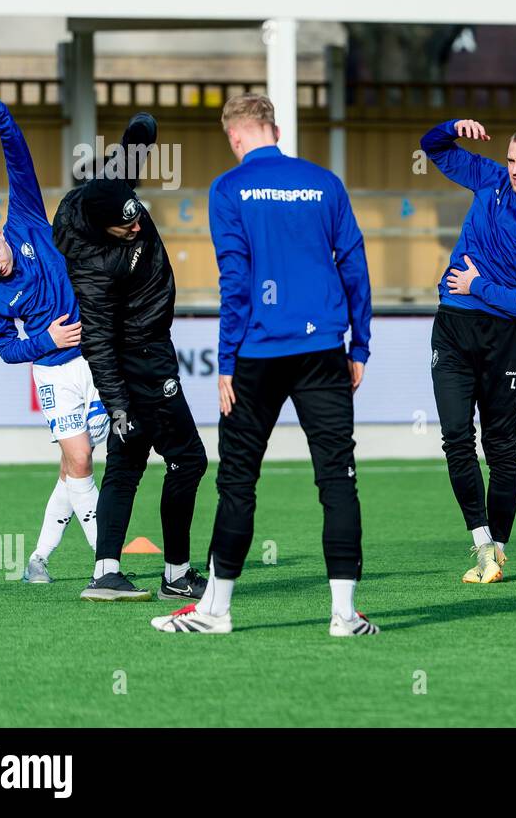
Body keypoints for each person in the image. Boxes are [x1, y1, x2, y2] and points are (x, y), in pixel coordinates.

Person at [151, 94, 375, 635]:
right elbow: (354, 263)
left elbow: (236, 279)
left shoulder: (228, 188)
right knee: (337, 479)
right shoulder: (324, 183)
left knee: (238, 482)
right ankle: (345, 615)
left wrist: (226, 360)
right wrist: (359, 346)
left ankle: (216, 611)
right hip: (323, 349)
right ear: (274, 130)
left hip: (256, 353)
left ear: (235, 138)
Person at [53, 115, 208, 603]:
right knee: (189, 460)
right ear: (104, 228)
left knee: (126, 462)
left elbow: (125, 165)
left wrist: (139, 136)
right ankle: (176, 575)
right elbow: (97, 342)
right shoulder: (93, 267)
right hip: (142, 357)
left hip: (146, 349)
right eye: (129, 224)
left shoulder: (104, 195)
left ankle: (105, 574)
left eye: (137, 213)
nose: (139, 225)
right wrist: (117, 406)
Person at [0, 94, 106, 582]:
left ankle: (38, 558)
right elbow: (6, 350)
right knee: (80, 459)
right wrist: (47, 340)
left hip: (96, 358)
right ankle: (107, 562)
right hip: (55, 372)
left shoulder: (26, 220)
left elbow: (18, 157)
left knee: (75, 463)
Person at [420, 117, 516, 584]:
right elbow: (432, 147)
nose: (514, 169)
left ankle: (497, 550)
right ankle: (482, 542)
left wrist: (479, 285)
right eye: (509, 159)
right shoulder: (490, 179)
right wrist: (452, 127)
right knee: (456, 437)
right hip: (453, 326)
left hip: (502, 339)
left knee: (501, 446)